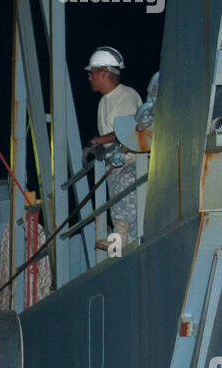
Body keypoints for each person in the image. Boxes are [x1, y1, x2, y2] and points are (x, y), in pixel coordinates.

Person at [84, 47, 141, 247]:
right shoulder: (103, 103)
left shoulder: (126, 96)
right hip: (115, 165)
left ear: (104, 73)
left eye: (92, 73)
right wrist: (103, 147)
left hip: (131, 162)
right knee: (119, 204)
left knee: (127, 196)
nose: (89, 77)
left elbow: (128, 131)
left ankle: (120, 238)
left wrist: (96, 142)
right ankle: (123, 242)